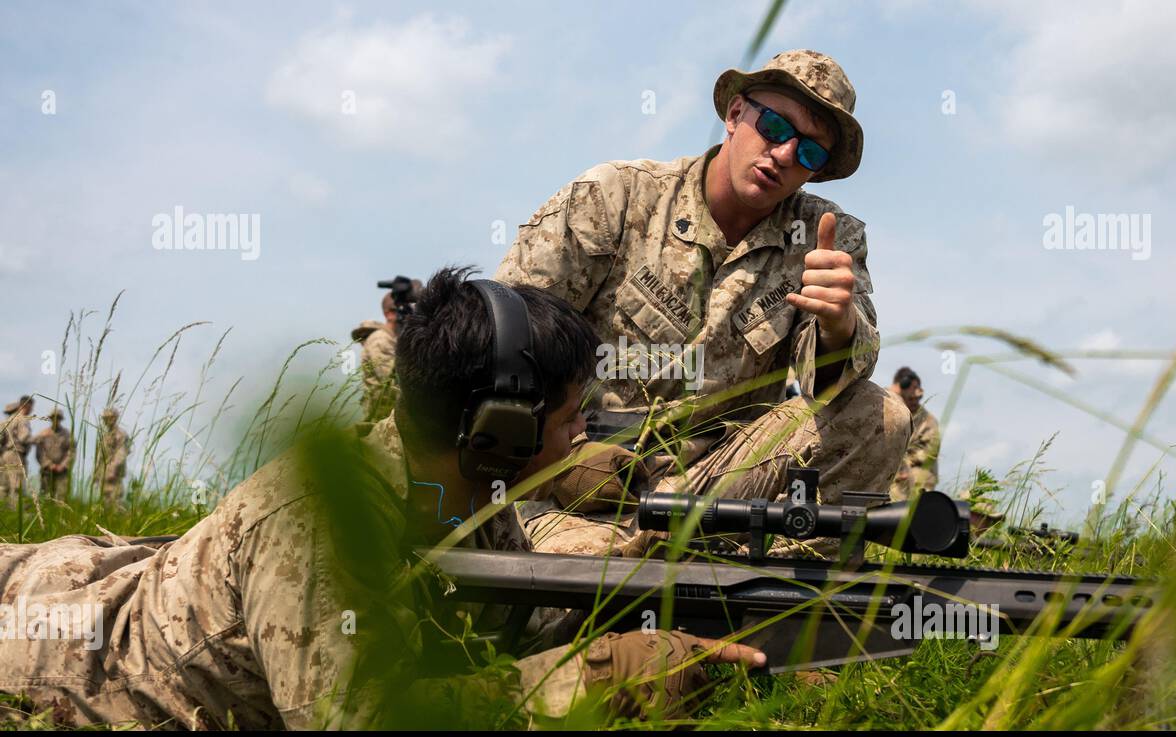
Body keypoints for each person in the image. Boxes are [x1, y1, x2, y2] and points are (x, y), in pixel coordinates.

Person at [0, 268, 761, 730]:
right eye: (569, 419)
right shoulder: (312, 519)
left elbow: (499, 637)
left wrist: (661, 607)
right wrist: (607, 674)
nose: (580, 439)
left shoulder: (469, 491)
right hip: (49, 641)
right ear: (497, 428)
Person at [495, 49, 911, 557]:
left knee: (879, 414)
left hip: (718, 494)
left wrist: (839, 327)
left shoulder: (825, 239)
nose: (783, 155)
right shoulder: (616, 198)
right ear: (735, 114)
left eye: (809, 153)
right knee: (590, 601)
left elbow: (830, 387)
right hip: (570, 497)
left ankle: (792, 605)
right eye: (776, 127)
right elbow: (505, 344)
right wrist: (565, 460)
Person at [351, 283, 419, 425]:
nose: (409, 314)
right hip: (381, 418)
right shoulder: (381, 340)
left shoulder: (393, 338)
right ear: (389, 314)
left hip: (392, 414)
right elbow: (393, 380)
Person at [888, 367, 941, 501]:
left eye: (917, 398)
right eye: (910, 398)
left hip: (918, 476)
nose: (914, 401)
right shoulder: (891, 407)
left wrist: (905, 462)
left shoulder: (928, 420)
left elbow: (930, 451)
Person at [34, 406, 75, 502]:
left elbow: (71, 452)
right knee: (46, 496)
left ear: (61, 419)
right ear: (51, 419)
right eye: (54, 418)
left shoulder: (67, 434)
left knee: (62, 497)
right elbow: (39, 452)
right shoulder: (43, 434)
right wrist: (49, 465)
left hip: (62, 472)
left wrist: (62, 465)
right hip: (47, 471)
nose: (56, 420)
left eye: (58, 418)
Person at [0, 396, 34, 509]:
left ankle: (4, 511)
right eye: (31, 406)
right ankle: (16, 511)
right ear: (26, 405)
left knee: (4, 485)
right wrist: (38, 439)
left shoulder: (6, 421)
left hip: (4, 455)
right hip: (16, 454)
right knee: (16, 485)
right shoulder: (22, 419)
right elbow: (24, 437)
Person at [93, 407, 129, 508]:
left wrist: (111, 470)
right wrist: (97, 474)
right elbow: (101, 457)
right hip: (103, 474)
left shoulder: (120, 434)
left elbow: (120, 454)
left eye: (108, 418)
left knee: (115, 502)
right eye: (104, 419)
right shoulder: (105, 436)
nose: (105, 421)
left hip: (114, 475)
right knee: (105, 503)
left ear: (114, 418)